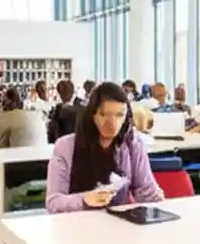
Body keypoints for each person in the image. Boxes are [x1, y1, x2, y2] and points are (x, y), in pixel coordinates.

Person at [45, 82, 164, 213]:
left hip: (119, 224)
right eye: (104, 114)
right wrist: (85, 200)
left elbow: (147, 191)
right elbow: (53, 202)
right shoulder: (65, 147)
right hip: (75, 224)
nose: (112, 123)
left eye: (120, 115)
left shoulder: (132, 144)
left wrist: (163, 209)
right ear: (92, 115)